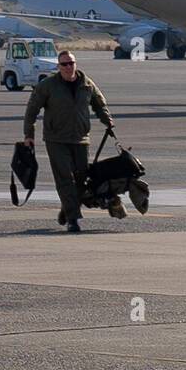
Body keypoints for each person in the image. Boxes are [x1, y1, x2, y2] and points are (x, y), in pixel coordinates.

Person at [22, 50, 115, 233]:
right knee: (65, 178)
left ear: (75, 64)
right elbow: (32, 110)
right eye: (64, 64)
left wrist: (108, 122)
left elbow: (99, 104)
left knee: (81, 179)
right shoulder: (47, 85)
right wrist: (29, 134)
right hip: (56, 139)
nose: (68, 67)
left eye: (71, 63)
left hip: (80, 138)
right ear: (58, 67)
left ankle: (67, 209)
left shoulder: (86, 84)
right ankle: (73, 219)